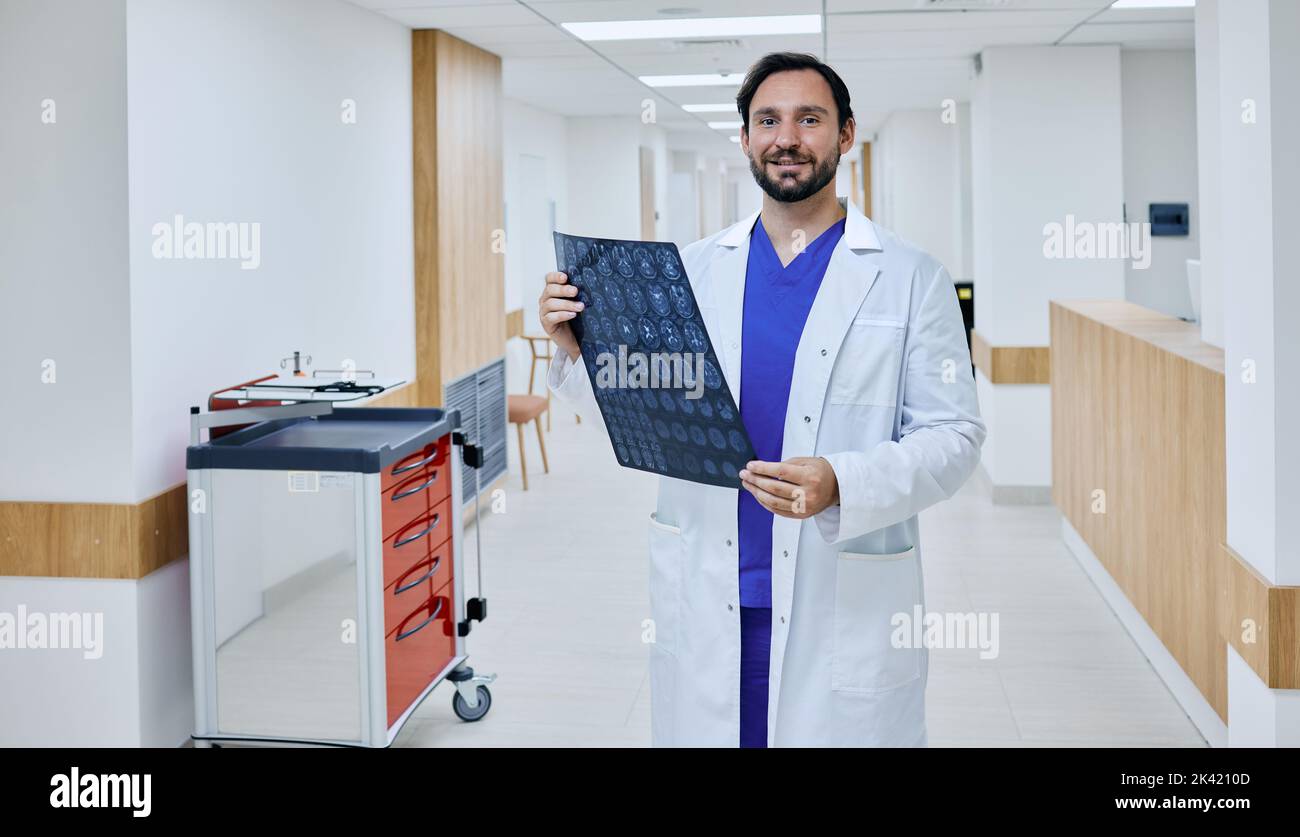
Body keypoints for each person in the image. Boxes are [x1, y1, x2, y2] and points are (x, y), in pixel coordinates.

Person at [537, 52, 985, 747]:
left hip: (840, 598)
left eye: (810, 119)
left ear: (845, 134)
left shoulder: (910, 278)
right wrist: (577, 349)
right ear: (745, 138)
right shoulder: (690, 271)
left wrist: (845, 480)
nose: (788, 138)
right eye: (768, 120)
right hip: (714, 592)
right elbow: (648, 414)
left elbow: (955, 436)